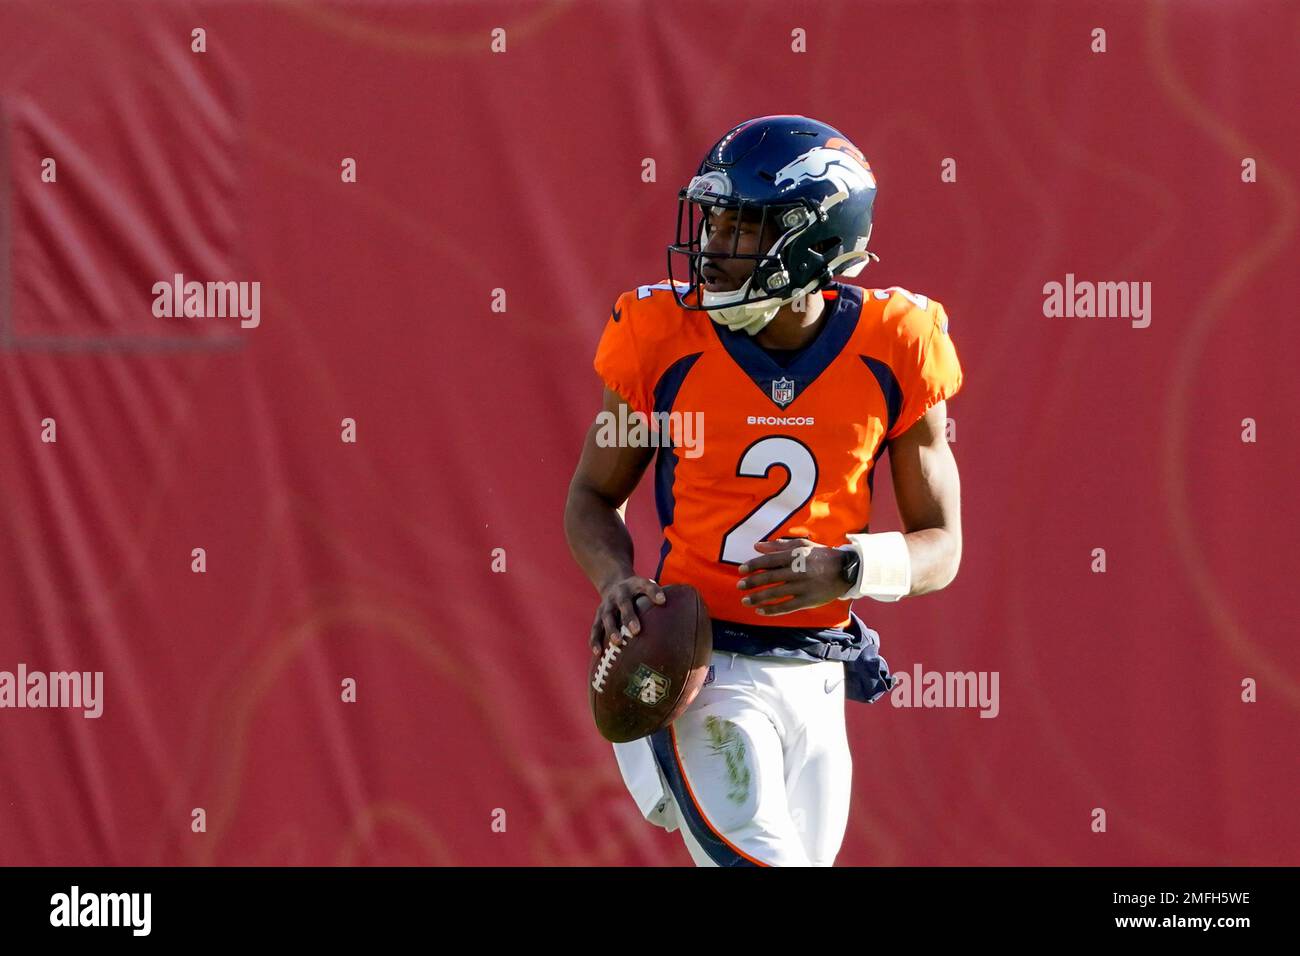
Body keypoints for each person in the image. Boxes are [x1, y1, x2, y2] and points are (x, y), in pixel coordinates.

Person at [564, 115, 964, 866]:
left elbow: (942, 548)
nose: (711, 248)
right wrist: (617, 579)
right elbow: (591, 494)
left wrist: (846, 566)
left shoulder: (899, 344)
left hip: (817, 677)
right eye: (711, 222)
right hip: (701, 664)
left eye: (740, 227)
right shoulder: (664, 335)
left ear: (812, 240)